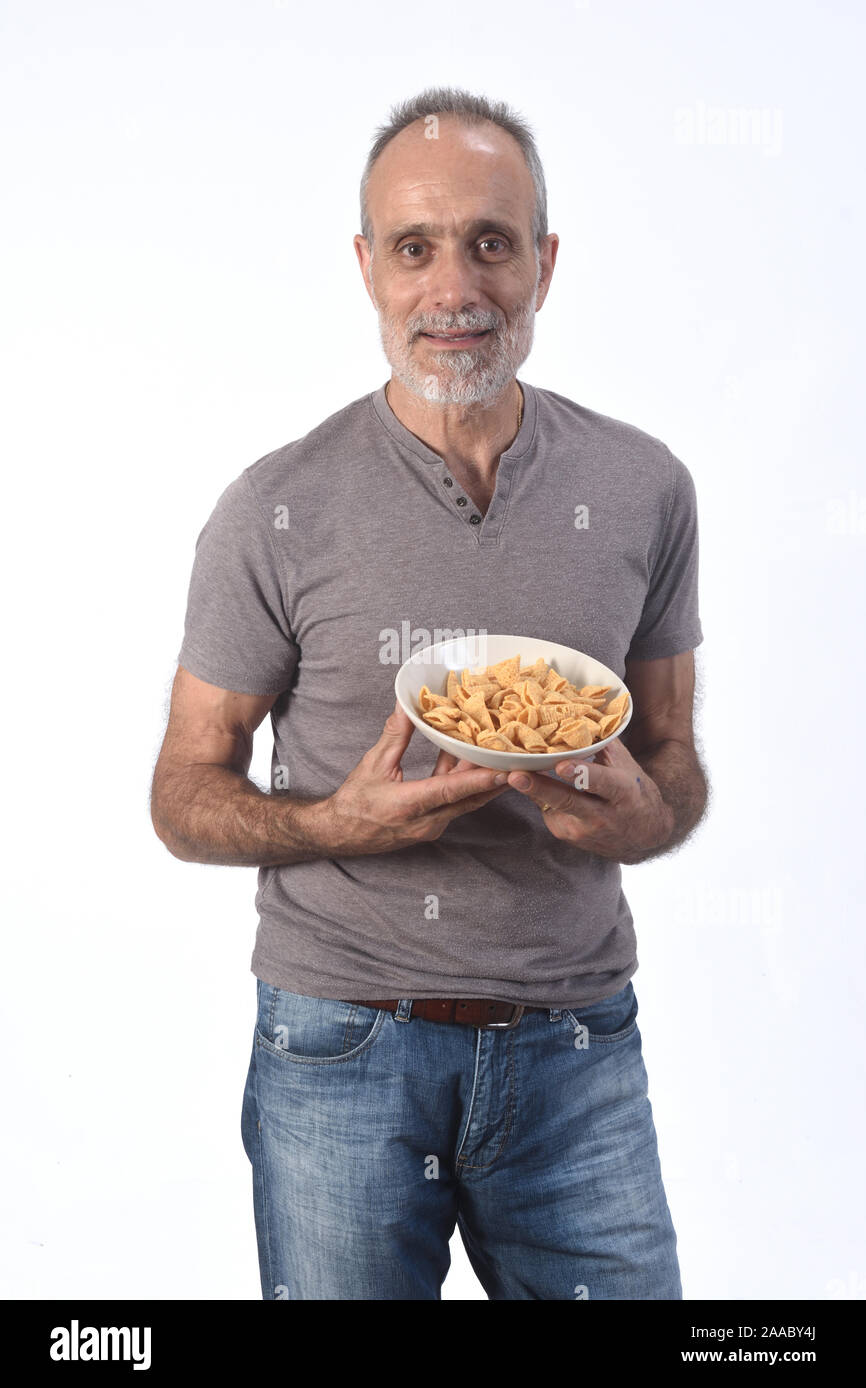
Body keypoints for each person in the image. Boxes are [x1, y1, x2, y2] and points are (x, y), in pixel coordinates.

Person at [150, 85, 708, 1301]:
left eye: (490, 243)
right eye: (414, 247)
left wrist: (641, 815)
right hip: (339, 1039)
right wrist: (326, 826)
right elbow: (185, 788)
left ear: (545, 265)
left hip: (576, 1041)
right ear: (366, 268)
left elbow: (673, 756)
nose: (454, 289)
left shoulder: (642, 487)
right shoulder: (272, 506)